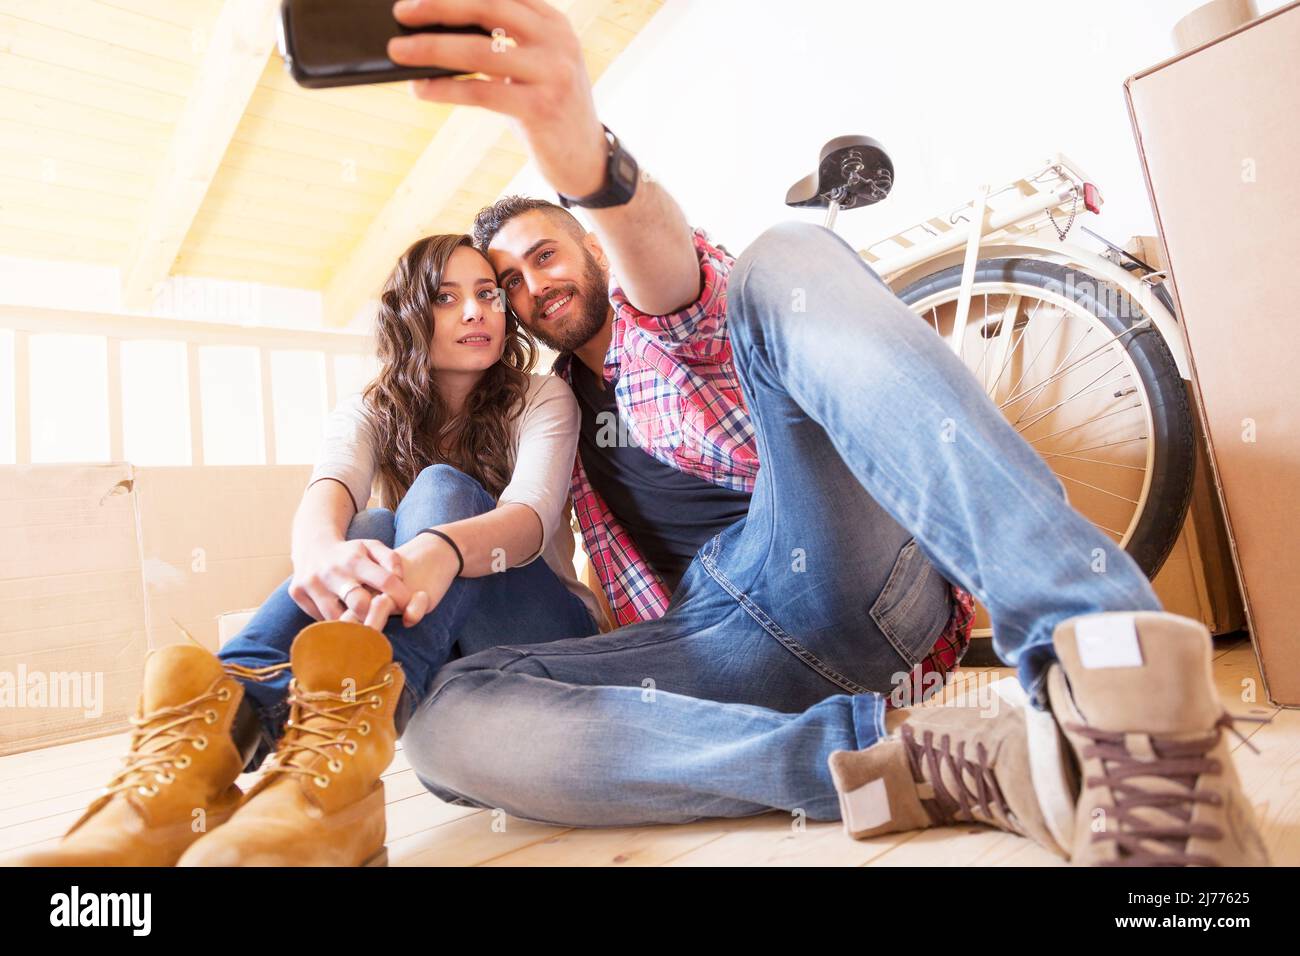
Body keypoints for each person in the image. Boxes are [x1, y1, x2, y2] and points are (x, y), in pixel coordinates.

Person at [383, 0, 1268, 866]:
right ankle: (911, 761)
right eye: (511, 280)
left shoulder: (669, 320)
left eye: (545, 254)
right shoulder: (559, 410)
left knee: (786, 257)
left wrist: (592, 164)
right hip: (714, 648)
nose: (532, 285)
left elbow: (670, 268)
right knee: (447, 724)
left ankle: (1123, 689)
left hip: (835, 571)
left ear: (590, 252)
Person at [8, 233, 602, 868]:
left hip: (542, 635)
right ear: (409, 313)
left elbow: (532, 518)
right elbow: (329, 488)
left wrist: (439, 549)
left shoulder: (540, 396)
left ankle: (335, 746)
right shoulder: (374, 408)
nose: (475, 312)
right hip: (427, 640)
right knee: (367, 525)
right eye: (446, 297)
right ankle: (190, 764)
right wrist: (320, 553)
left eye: (486, 295)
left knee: (435, 490)